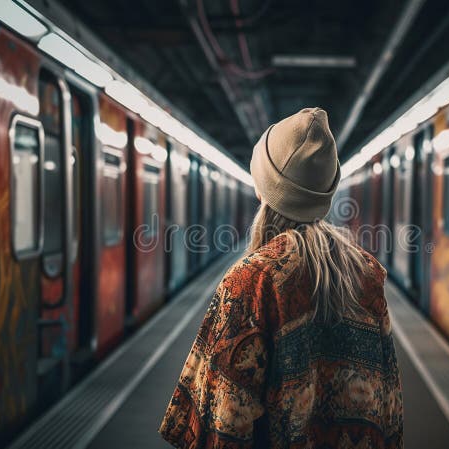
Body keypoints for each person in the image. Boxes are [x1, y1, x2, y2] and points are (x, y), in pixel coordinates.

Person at [159, 107, 403, 449]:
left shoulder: (250, 281)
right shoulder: (368, 275)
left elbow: (220, 421)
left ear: (264, 191)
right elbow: (389, 403)